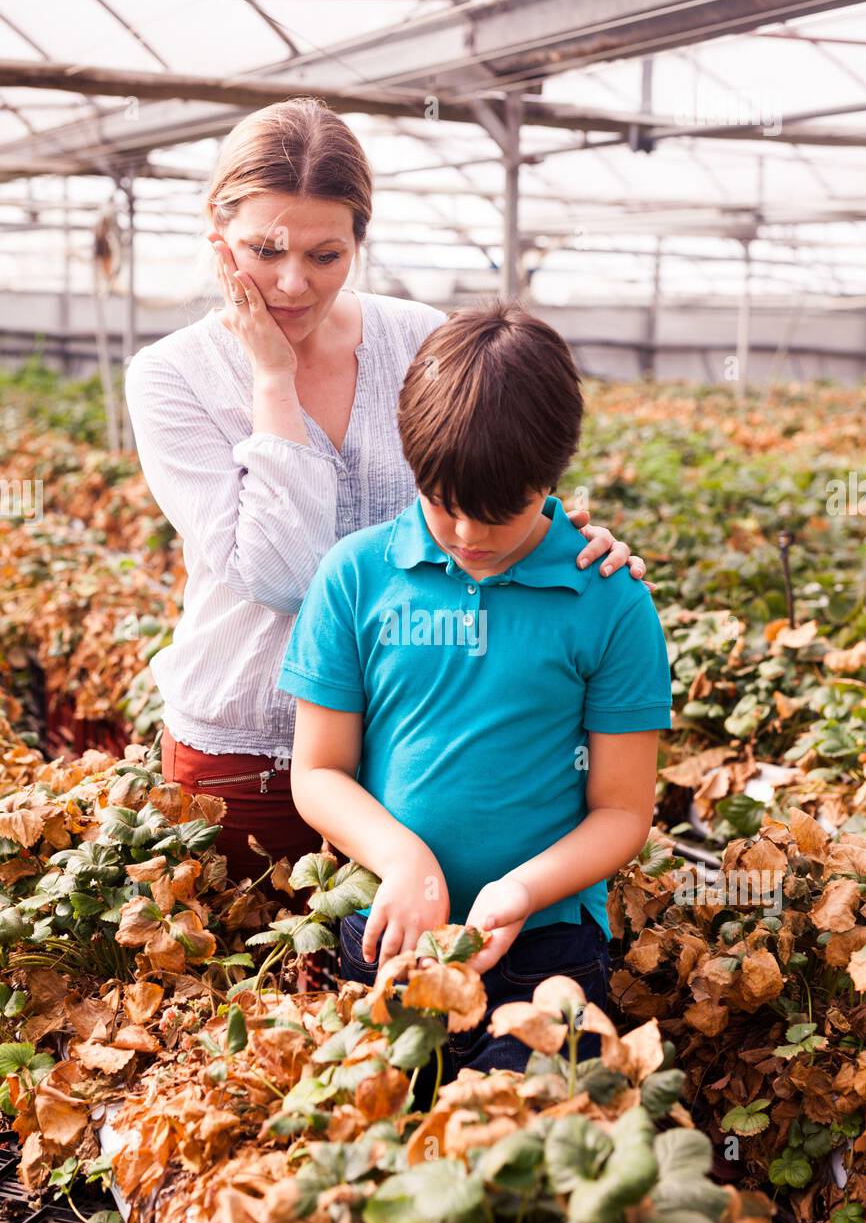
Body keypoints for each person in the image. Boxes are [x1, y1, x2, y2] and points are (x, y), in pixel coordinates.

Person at [125, 96, 652, 893]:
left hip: (414, 742)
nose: (292, 283)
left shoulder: (417, 338)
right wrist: (273, 379)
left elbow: (486, 476)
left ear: (360, 242)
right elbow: (286, 577)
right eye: (262, 250)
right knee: (255, 995)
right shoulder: (171, 376)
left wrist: (566, 536)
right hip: (247, 754)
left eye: (326, 255)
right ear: (217, 232)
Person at [278, 300, 672, 1088]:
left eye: (499, 511)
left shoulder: (610, 601)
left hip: (547, 942)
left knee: (517, 1122)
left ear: (553, 475)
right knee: (373, 1126)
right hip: (388, 927)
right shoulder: (357, 575)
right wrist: (403, 859)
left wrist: (524, 888)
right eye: (441, 501)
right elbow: (317, 772)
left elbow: (622, 810)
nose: (463, 533)